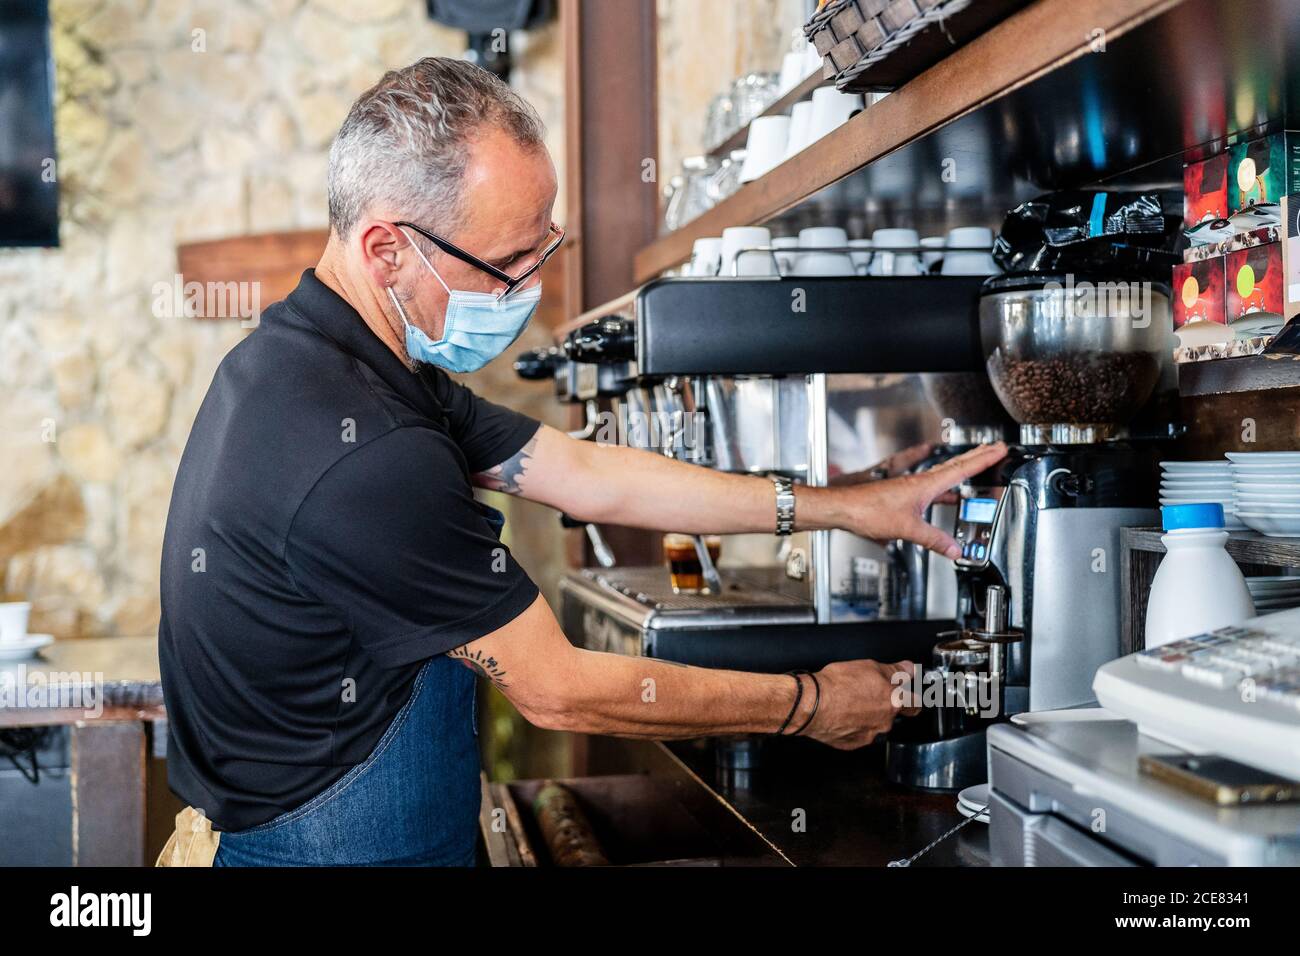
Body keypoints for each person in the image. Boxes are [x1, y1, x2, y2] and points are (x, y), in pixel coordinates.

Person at [157, 57, 1006, 866]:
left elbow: (585, 472)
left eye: (544, 248)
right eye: (508, 264)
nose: (529, 287)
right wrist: (811, 705)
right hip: (340, 851)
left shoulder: (332, 358)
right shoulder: (364, 449)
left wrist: (844, 506)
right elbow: (557, 688)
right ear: (386, 251)